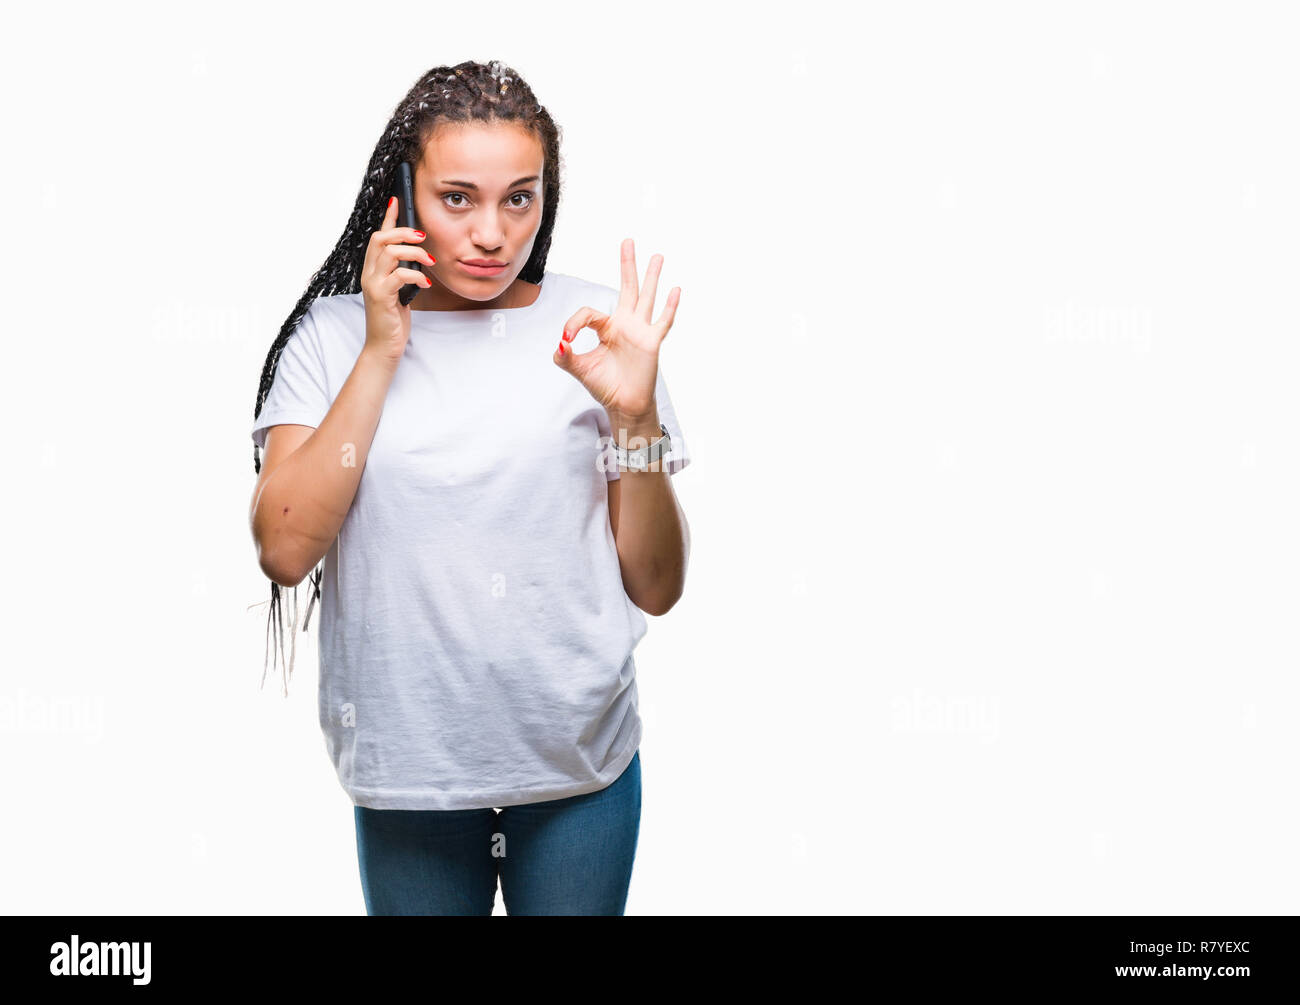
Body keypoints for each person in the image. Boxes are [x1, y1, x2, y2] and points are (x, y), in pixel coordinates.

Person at [247, 60, 692, 915]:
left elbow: (658, 587)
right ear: (403, 198)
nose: (493, 232)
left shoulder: (599, 332)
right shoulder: (334, 337)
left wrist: (636, 420)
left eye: (518, 198)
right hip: (411, 774)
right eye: (459, 198)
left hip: (579, 770)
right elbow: (285, 547)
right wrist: (384, 346)